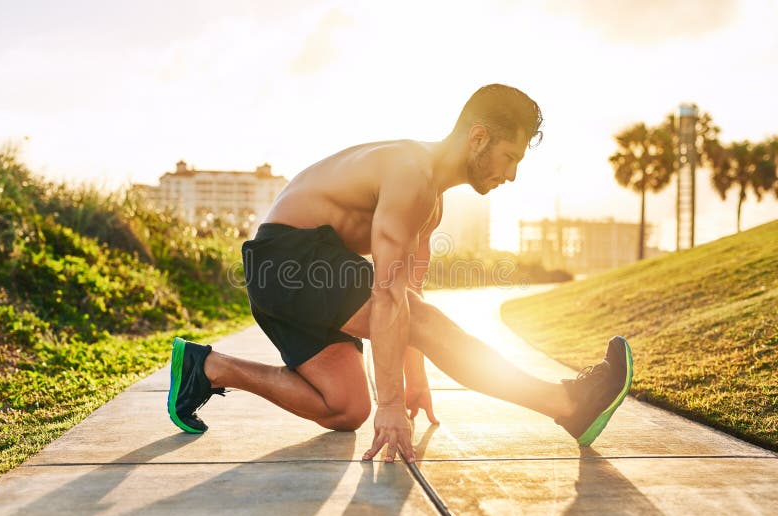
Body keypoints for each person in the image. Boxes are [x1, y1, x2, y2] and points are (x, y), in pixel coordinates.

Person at [166, 84, 634, 463]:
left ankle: (208, 368)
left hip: (303, 271)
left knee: (346, 407)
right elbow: (391, 299)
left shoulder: (432, 203)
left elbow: (410, 298)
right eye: (510, 157)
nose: (510, 174)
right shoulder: (411, 173)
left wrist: (415, 382)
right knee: (412, 328)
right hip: (286, 260)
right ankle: (569, 404)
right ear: (478, 138)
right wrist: (390, 404)